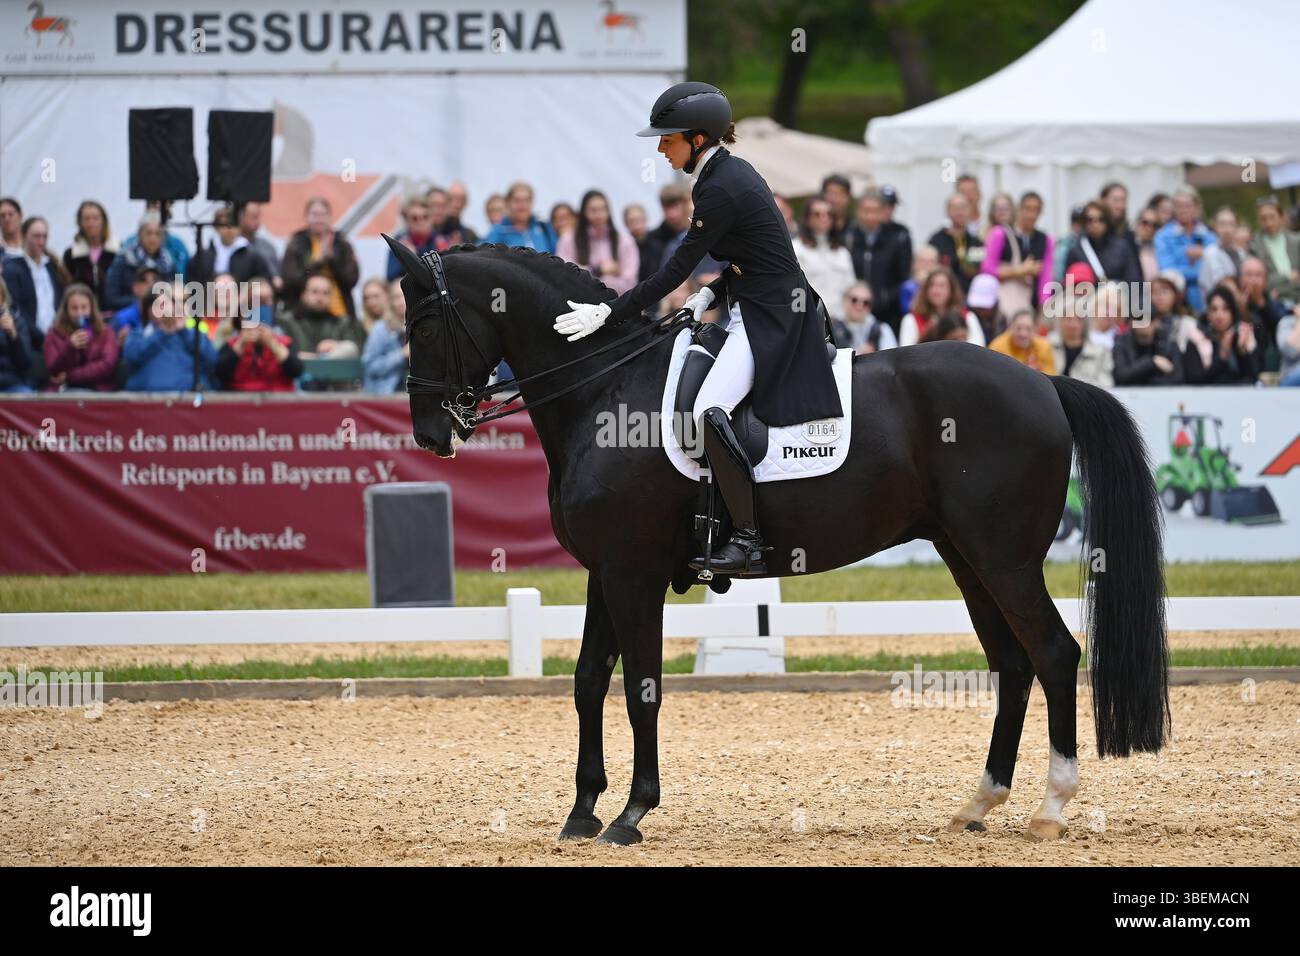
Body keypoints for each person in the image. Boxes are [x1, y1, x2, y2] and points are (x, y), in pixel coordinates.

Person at [552, 81, 841, 577]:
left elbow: (672, 272)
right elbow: (761, 255)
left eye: (669, 139)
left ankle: (748, 539)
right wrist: (716, 290)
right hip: (757, 301)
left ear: (699, 139)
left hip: (773, 317)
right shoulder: (726, 174)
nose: (662, 148)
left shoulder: (722, 186)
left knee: (709, 411)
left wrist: (609, 313)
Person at [122, 282, 218, 391]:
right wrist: (163, 332)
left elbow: (212, 360)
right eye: (172, 301)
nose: (179, 306)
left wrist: (184, 331)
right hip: (147, 402)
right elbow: (132, 358)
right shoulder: (139, 335)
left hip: (190, 402)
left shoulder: (195, 334)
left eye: (185, 301)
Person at [280, 197, 361, 322]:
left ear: (330, 218)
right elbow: (290, 280)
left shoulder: (341, 243)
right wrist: (318, 262)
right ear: (306, 217)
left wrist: (332, 259)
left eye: (323, 215)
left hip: (339, 314)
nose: (319, 219)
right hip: (302, 316)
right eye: (314, 214)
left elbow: (352, 279)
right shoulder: (296, 243)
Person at [844, 188, 911, 335]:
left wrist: (884, 298)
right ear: (858, 211)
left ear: (883, 212)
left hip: (889, 312)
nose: (870, 215)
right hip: (856, 309)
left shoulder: (898, 237)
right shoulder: (849, 235)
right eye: (866, 210)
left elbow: (904, 276)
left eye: (875, 210)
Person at [981, 191, 1053, 318]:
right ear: (1018, 209)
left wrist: (1045, 307)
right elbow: (987, 268)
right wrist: (1018, 270)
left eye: (1036, 210)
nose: (1031, 214)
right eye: (1027, 209)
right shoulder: (1001, 234)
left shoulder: (1045, 240)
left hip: (1030, 303)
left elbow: (1046, 276)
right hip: (1002, 303)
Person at [556, 190, 639, 295]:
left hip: (617, 304)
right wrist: (598, 271)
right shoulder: (568, 240)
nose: (599, 215)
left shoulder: (625, 241)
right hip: (579, 305)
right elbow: (565, 276)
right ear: (584, 212)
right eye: (593, 210)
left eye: (603, 209)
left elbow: (629, 283)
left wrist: (587, 275)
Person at [2, 216, 68, 345]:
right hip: (30, 340)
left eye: (44, 236)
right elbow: (16, 308)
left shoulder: (51, 266)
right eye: (36, 236)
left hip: (57, 338)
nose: (41, 241)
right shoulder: (13, 268)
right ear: (24, 236)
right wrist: (41, 338)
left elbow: (60, 302)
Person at [42, 284, 119, 391]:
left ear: (91, 308)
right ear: (66, 310)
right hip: (63, 390)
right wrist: (69, 347)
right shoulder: (54, 333)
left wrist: (71, 376)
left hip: (97, 390)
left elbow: (107, 365)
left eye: (84, 307)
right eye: (74, 308)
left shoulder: (105, 332)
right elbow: (54, 369)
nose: (79, 312)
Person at [278, 270, 367, 360]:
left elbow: (357, 352)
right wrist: (311, 357)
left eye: (326, 293)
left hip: (334, 372)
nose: (320, 298)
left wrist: (337, 345)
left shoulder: (343, 324)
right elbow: (278, 351)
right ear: (303, 294)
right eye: (315, 292)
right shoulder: (287, 321)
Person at [103, 210, 181, 313]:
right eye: (149, 233)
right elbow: (111, 298)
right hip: (128, 316)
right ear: (139, 234)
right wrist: (142, 301)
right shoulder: (123, 261)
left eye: (158, 234)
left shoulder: (169, 263)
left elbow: (178, 294)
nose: (153, 238)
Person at [793, 196, 856, 320]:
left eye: (829, 214)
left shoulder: (842, 252)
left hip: (839, 322)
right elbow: (795, 289)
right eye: (817, 214)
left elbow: (851, 288)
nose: (824, 218)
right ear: (807, 218)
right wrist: (799, 320)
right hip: (810, 320)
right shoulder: (797, 248)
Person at [1155, 187, 1216, 313]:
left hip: (1207, 299)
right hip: (1177, 302)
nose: (1183, 210)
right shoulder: (1163, 236)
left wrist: (1203, 253)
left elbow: (1215, 268)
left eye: (1187, 206)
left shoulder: (1208, 235)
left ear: (1196, 208)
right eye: (1178, 206)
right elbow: (1168, 271)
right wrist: (1202, 264)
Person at [1184, 285, 1260, 385]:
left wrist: (1243, 352)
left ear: (1233, 313)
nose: (1219, 315)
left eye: (1225, 309)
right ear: (1208, 315)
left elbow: (1253, 378)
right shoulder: (1196, 338)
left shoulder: (1244, 335)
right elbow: (1195, 380)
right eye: (1214, 309)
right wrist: (1222, 357)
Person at [187, 205, 272, 287]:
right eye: (224, 225)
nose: (229, 230)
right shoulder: (203, 257)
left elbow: (263, 282)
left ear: (240, 227)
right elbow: (192, 282)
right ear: (216, 227)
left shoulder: (253, 257)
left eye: (233, 225)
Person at [898, 266, 986, 347]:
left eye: (942, 286)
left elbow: (978, 350)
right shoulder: (911, 320)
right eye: (932, 285)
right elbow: (907, 354)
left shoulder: (968, 317)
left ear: (952, 290)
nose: (936, 291)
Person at [215, 314, 303, 392]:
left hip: (278, 398)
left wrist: (272, 344)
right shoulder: (232, 344)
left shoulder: (285, 343)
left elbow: (296, 371)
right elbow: (220, 374)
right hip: (240, 398)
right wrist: (241, 344)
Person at [61, 200, 118, 314]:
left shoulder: (117, 252)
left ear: (103, 221)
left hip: (113, 314)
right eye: (87, 219)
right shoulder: (71, 255)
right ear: (80, 223)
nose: (91, 223)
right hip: (82, 315)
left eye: (95, 218)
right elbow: (67, 287)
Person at [1065, 201, 1140, 285]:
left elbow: (1134, 280)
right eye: (1090, 220)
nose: (1095, 224)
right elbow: (1069, 284)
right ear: (1084, 223)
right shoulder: (1076, 251)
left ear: (1107, 221)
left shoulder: (1121, 248)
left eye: (1100, 219)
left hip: (1117, 296)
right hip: (1088, 296)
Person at [928, 193, 983, 293]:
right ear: (947, 212)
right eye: (955, 208)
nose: (960, 212)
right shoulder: (936, 241)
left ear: (970, 210)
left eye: (963, 207)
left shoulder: (976, 243)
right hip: (944, 296)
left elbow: (974, 271)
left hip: (970, 295)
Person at [1249, 195, 1300, 302]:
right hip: (1275, 301)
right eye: (1263, 218)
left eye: (1272, 217)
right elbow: (1263, 281)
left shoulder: (1296, 241)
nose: (1269, 223)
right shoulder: (1254, 246)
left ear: (1281, 217)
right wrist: (1288, 276)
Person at [1113, 312, 1184, 386]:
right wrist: (1152, 362)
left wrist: (1145, 380)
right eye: (1139, 319)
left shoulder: (1168, 342)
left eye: (1149, 319)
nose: (1145, 324)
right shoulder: (1122, 342)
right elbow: (1120, 376)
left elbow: (1178, 378)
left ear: (1157, 321)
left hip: (1162, 394)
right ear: (1131, 322)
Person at [1049, 307, 1113, 387]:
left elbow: (1106, 383)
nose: (1073, 324)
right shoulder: (1047, 346)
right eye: (1068, 319)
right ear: (1060, 322)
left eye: (1078, 320)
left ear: (1085, 324)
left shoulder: (1101, 352)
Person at [361, 282, 407, 394]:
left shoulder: (423, 328)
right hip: (386, 394)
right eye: (396, 297)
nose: (401, 301)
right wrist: (402, 354)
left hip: (416, 395)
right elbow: (370, 366)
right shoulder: (380, 329)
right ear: (390, 301)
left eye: (405, 295)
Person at [484, 182, 556, 252]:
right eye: (517, 200)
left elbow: (558, 258)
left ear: (532, 202)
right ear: (508, 203)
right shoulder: (498, 231)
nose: (522, 205)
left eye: (526, 200)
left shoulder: (544, 229)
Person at [830, 281, 897, 353]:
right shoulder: (831, 328)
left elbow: (892, 359)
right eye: (854, 300)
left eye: (866, 303)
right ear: (844, 301)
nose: (859, 306)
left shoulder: (882, 329)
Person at [1198, 206, 1245, 306]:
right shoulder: (1210, 253)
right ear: (1214, 226)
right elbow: (1221, 283)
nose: (1227, 229)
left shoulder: (1242, 252)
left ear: (1237, 226)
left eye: (1231, 224)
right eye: (1222, 224)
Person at [385, 196, 439, 281]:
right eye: (415, 218)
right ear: (406, 222)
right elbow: (391, 277)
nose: (421, 222)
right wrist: (408, 258)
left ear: (432, 218)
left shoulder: (441, 240)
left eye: (425, 217)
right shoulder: (399, 244)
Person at [989, 308, 1054, 374]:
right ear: (1011, 328)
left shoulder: (1044, 347)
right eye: (1018, 328)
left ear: (1035, 329)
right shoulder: (997, 347)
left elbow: (1050, 375)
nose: (1023, 334)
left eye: (1028, 329)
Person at [0, 276, 35, 392]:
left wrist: (13, 335)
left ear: (3, 298)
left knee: (26, 395)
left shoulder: (16, 320)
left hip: (12, 384)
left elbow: (26, 363)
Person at [237, 202, 282, 289]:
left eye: (258, 217)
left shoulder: (267, 247)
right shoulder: (232, 246)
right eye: (254, 217)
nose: (258, 221)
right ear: (240, 217)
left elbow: (275, 276)